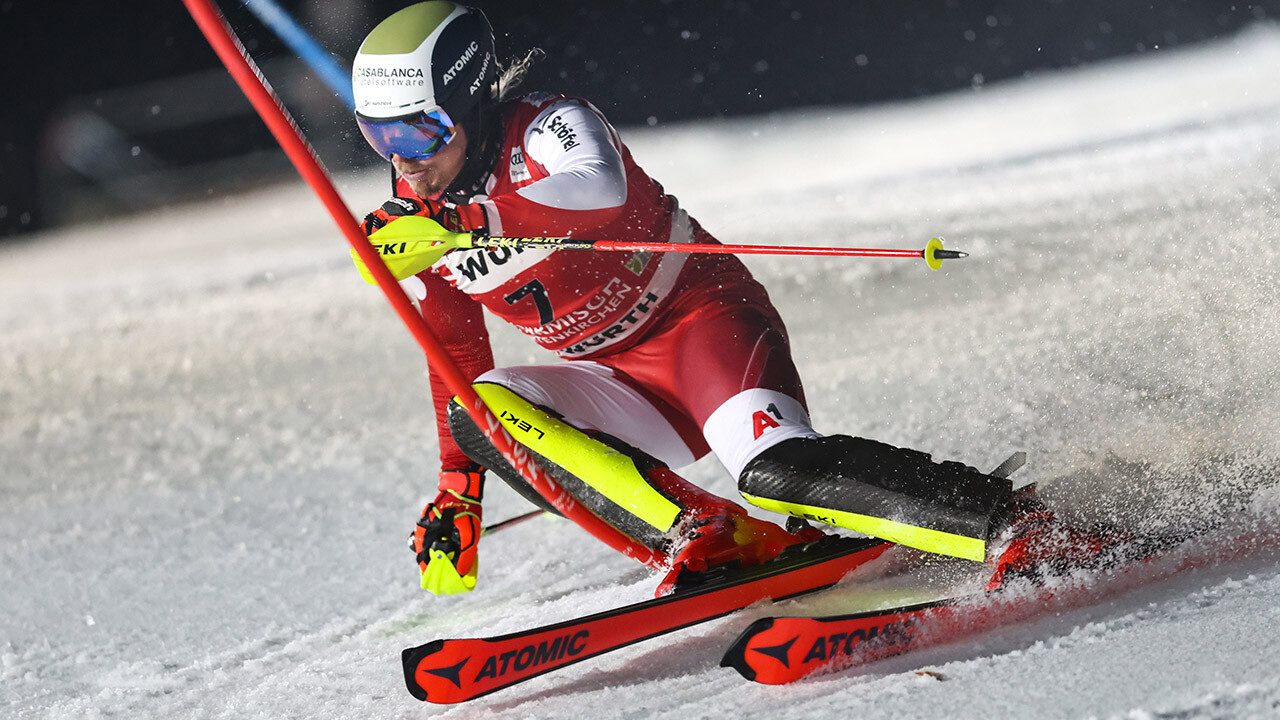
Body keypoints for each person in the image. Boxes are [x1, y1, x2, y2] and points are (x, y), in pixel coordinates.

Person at [349, 1, 1074, 597]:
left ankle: (1014, 521)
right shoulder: (418, 207)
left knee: (777, 473)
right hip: (614, 380)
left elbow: (598, 192)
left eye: (421, 129)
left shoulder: (549, 127)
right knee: (478, 406)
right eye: (379, 136)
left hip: (700, 324)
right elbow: (452, 344)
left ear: (471, 104)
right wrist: (458, 488)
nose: (405, 158)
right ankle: (707, 533)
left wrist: (464, 222)